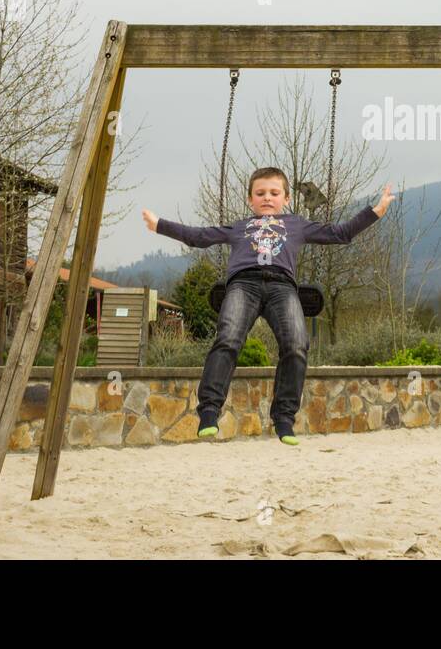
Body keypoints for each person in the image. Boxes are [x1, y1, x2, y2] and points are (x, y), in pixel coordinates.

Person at [143, 167, 394, 445]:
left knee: (297, 344)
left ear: (286, 198)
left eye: (274, 193)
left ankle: (284, 418)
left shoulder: (297, 224)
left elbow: (341, 233)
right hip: (243, 285)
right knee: (227, 339)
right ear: (250, 199)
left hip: (282, 287)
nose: (267, 198)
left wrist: (376, 211)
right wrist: (160, 225)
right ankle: (210, 411)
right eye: (260, 193)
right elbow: (199, 237)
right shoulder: (240, 227)